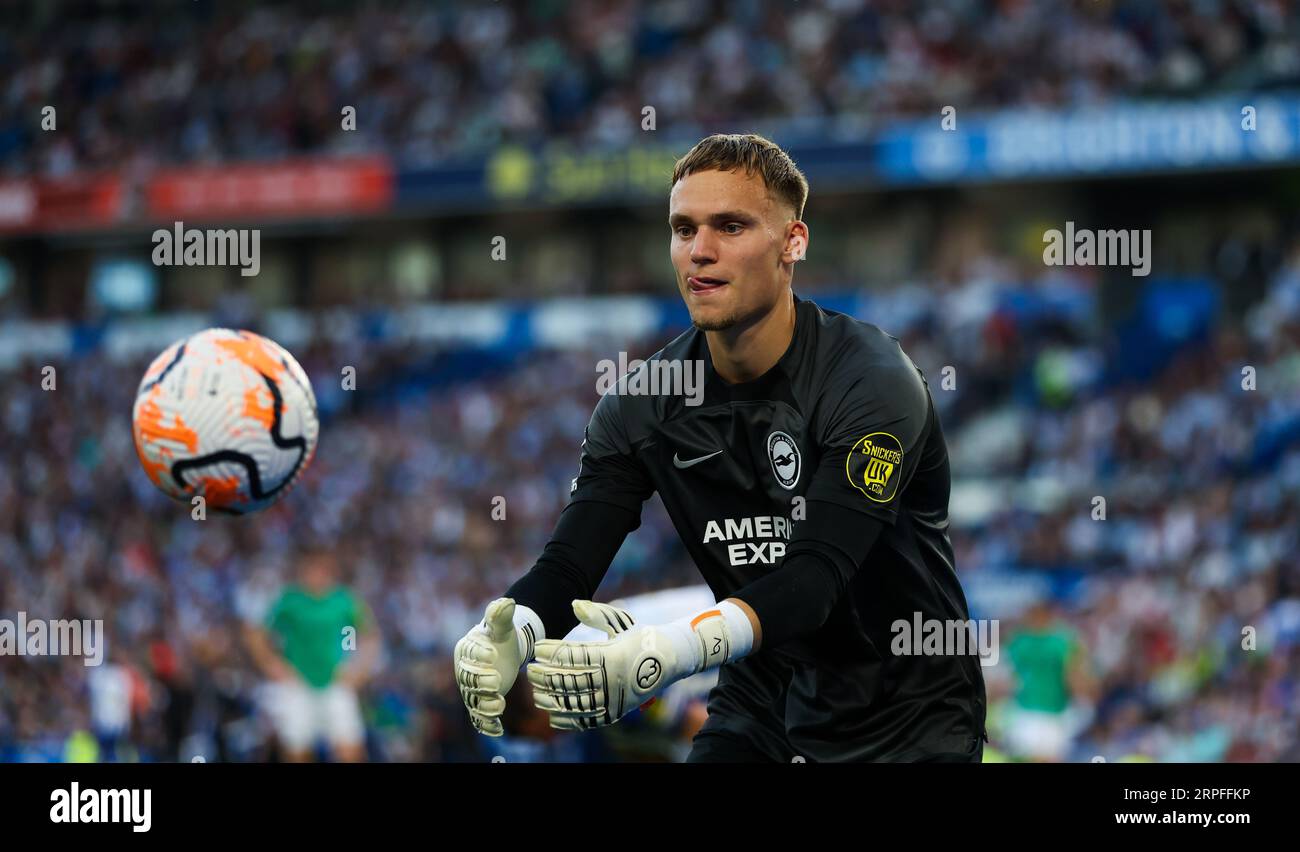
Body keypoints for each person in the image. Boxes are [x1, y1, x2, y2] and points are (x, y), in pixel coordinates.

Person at [454, 133, 986, 762]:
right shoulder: (641, 404)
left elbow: (814, 581)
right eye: (683, 229)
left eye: (730, 226)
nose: (699, 251)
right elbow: (569, 566)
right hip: (762, 699)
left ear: (794, 242)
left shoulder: (870, 379)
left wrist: (670, 651)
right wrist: (515, 627)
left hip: (908, 718)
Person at [246, 547, 377, 762]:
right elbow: (256, 634)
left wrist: (359, 669)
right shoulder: (289, 600)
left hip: (335, 682)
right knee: (296, 751)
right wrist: (272, 664)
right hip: (298, 683)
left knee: (350, 749)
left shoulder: (344, 600)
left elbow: (370, 634)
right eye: (312, 568)